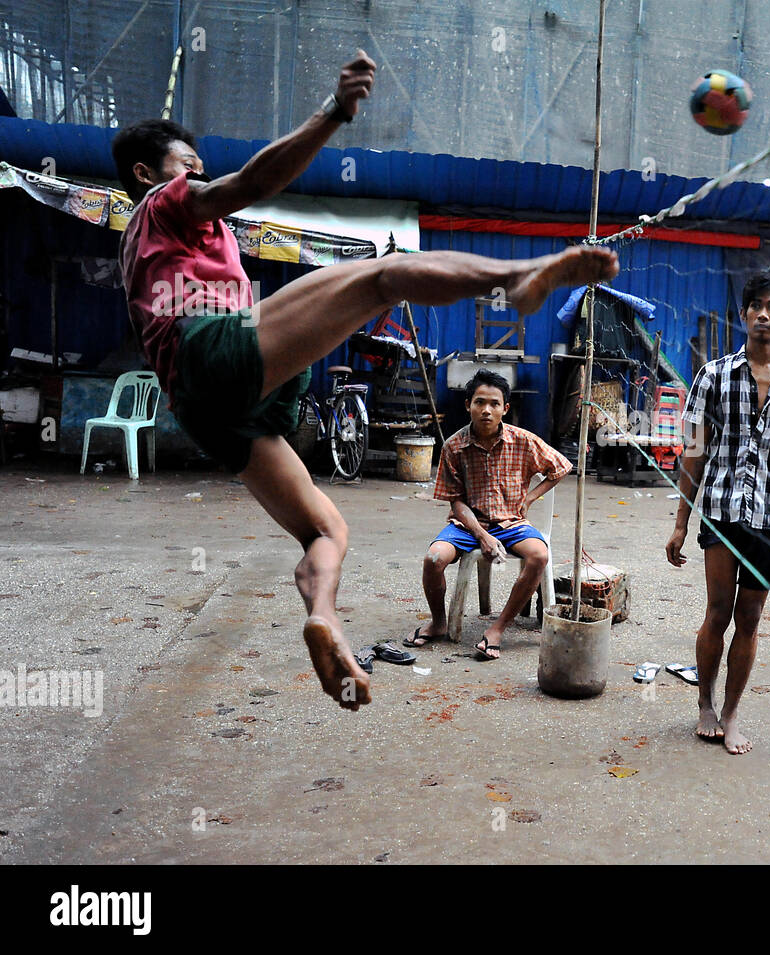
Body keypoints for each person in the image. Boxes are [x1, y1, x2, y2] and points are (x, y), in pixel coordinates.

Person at [111, 51, 618, 711]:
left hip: (209, 410)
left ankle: (325, 618)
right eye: (188, 165)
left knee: (328, 531)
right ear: (149, 174)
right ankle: (518, 275)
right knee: (386, 275)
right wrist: (332, 114)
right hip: (209, 352)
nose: (198, 175)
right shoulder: (163, 203)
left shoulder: (141, 247)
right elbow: (248, 184)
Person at [665, 266, 770, 754]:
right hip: (720, 509)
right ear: (743, 315)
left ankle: (732, 714)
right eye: (756, 306)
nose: (764, 315)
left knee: (750, 619)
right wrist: (679, 523)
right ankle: (706, 707)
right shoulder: (712, 377)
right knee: (717, 612)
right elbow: (692, 451)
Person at [410, 369, 571, 660]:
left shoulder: (523, 440)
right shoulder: (454, 446)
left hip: (512, 522)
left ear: (505, 409)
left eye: (494, 404)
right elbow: (455, 501)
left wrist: (531, 497)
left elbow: (561, 466)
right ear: (468, 405)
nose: (486, 410)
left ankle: (498, 628)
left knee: (539, 556)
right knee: (433, 559)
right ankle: (438, 622)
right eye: (479, 402)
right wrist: (481, 535)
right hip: (467, 525)